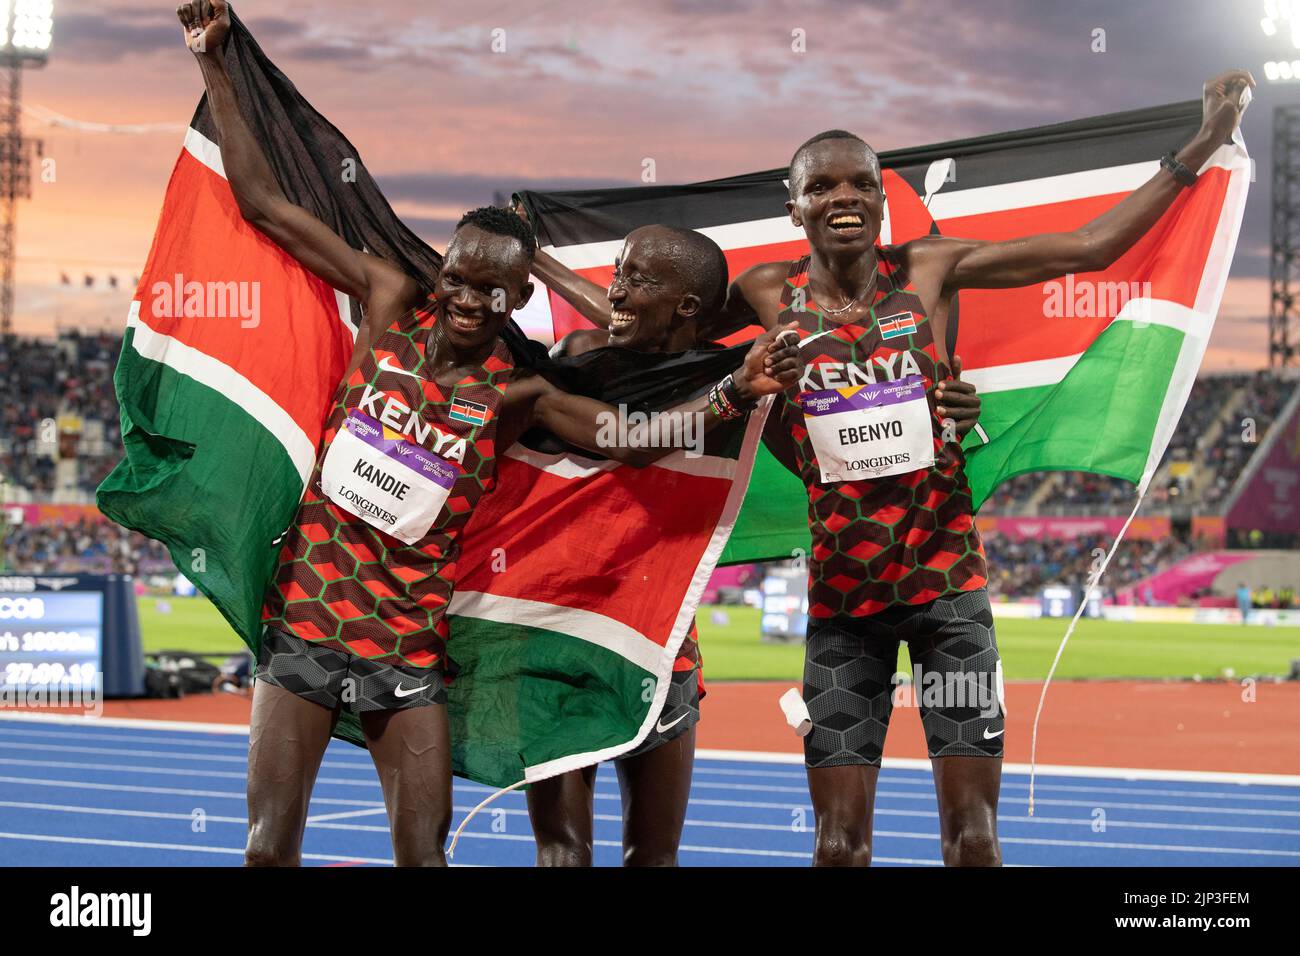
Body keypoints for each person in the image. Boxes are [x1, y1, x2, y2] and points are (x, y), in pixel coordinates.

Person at [176, 0, 802, 867]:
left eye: (495, 292)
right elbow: (266, 203)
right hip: (306, 632)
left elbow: (627, 433)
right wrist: (214, 59)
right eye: (462, 278)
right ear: (445, 268)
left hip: (406, 649)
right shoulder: (388, 304)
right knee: (265, 849)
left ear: (513, 301)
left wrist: (733, 391)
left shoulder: (518, 394)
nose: (472, 299)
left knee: (426, 858)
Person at [706, 68, 1254, 866]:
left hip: (949, 604)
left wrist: (1202, 140)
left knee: (972, 840)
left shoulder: (926, 268)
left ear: (883, 202)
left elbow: (1090, 249)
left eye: (862, 181)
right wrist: (543, 272)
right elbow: (659, 329)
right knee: (836, 848)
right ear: (794, 205)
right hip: (843, 612)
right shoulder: (764, 290)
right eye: (821, 185)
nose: (844, 195)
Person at [518, 218, 983, 865]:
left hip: (658, 638)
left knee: (643, 858)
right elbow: (631, 396)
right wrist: (536, 259)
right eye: (616, 274)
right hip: (568, 632)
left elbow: (823, 455)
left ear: (685, 309)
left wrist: (934, 415)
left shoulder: (740, 379)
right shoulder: (581, 357)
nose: (615, 291)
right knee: (565, 855)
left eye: (634, 278)